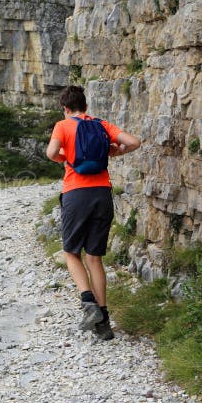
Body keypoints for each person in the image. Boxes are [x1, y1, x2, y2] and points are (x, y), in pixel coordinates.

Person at [45, 85, 141, 340]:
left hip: (76, 194)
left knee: (71, 252)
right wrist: (116, 152)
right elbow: (134, 142)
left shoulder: (63, 126)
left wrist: (66, 158)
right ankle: (104, 324)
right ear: (86, 106)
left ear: (65, 108)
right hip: (102, 194)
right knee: (95, 258)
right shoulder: (101, 124)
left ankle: (88, 304)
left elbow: (51, 153)